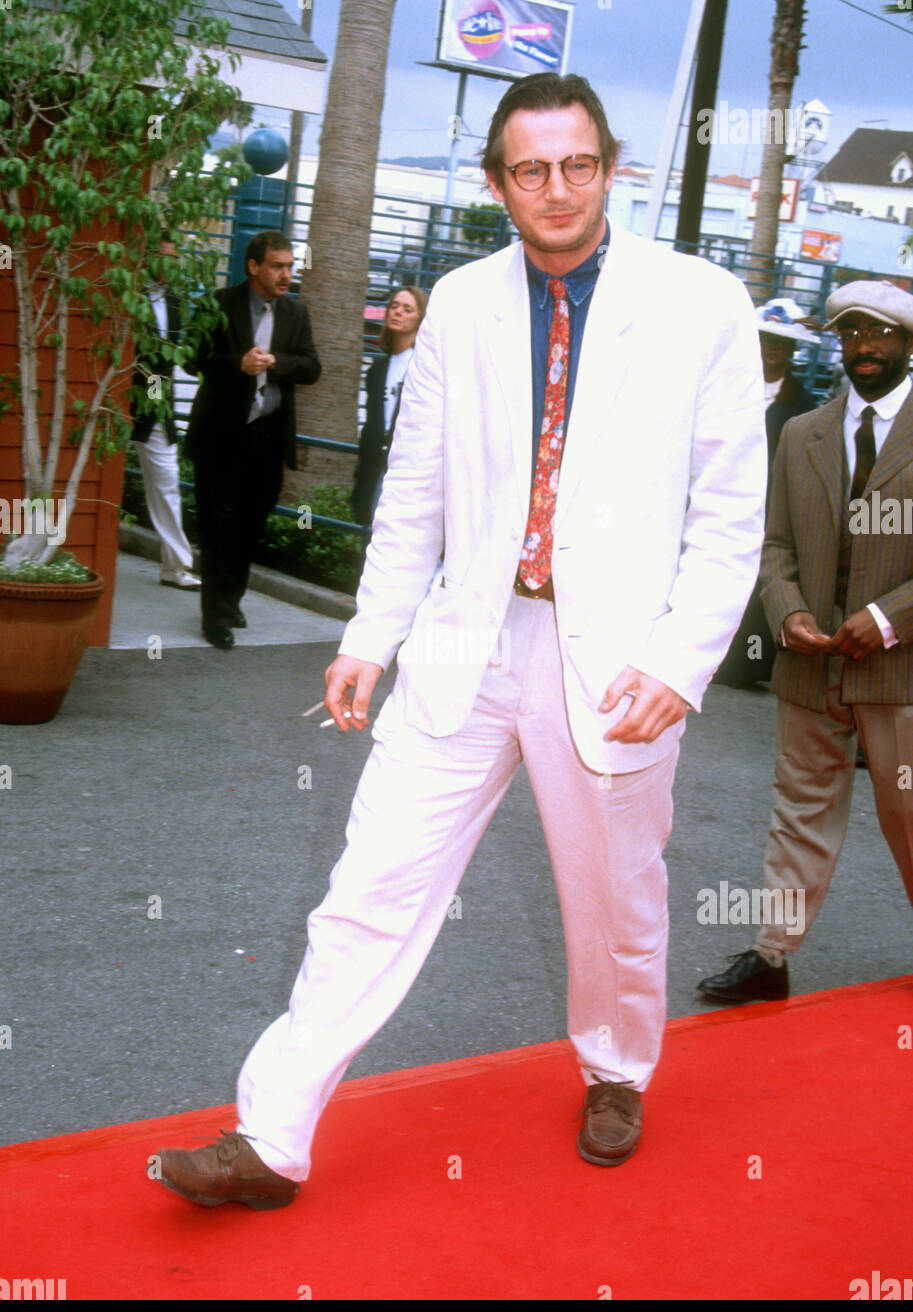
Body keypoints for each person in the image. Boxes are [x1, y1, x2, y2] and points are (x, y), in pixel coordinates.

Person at [152, 72, 766, 1209]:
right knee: (368, 887)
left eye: (577, 164)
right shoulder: (462, 303)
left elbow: (730, 514)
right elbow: (417, 495)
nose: (557, 189)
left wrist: (680, 665)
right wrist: (370, 636)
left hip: (619, 664)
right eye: (530, 170)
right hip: (464, 646)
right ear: (496, 184)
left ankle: (617, 1067)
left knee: (615, 898)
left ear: (610, 166)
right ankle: (271, 1136)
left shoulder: (701, 306)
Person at [698, 280, 913, 1004]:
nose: (864, 349)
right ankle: (770, 957)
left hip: (900, 670)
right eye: (851, 336)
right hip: (808, 665)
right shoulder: (801, 434)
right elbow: (773, 543)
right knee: (798, 814)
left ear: (905, 343)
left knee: (906, 814)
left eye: (878, 336)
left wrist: (886, 619)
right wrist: (786, 611)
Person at [182, 231, 321, 649]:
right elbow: (191, 357)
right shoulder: (219, 304)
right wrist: (235, 364)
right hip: (222, 436)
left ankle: (231, 598)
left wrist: (276, 362)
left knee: (249, 526)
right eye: (277, 266)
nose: (286, 274)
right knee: (217, 528)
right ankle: (216, 617)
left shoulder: (296, 314)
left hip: (267, 438)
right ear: (254, 266)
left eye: (290, 266)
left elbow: (312, 367)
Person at [714, 299, 818, 688]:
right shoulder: (728, 388)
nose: (771, 350)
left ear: (791, 352)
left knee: (759, 587)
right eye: (766, 340)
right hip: (723, 496)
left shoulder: (803, 404)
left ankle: (749, 664)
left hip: (771, 504)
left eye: (781, 343)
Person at [130, 239, 200, 591]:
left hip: (156, 406)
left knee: (168, 483)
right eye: (164, 257)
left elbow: (171, 357)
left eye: (174, 259)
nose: (170, 265)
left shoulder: (173, 300)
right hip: (115, 401)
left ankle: (176, 567)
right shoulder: (127, 289)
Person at [351, 286, 428, 527]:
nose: (398, 313)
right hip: (374, 471)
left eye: (407, 309)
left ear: (420, 319)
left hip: (408, 476)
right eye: (394, 306)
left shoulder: (425, 368)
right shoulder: (377, 371)